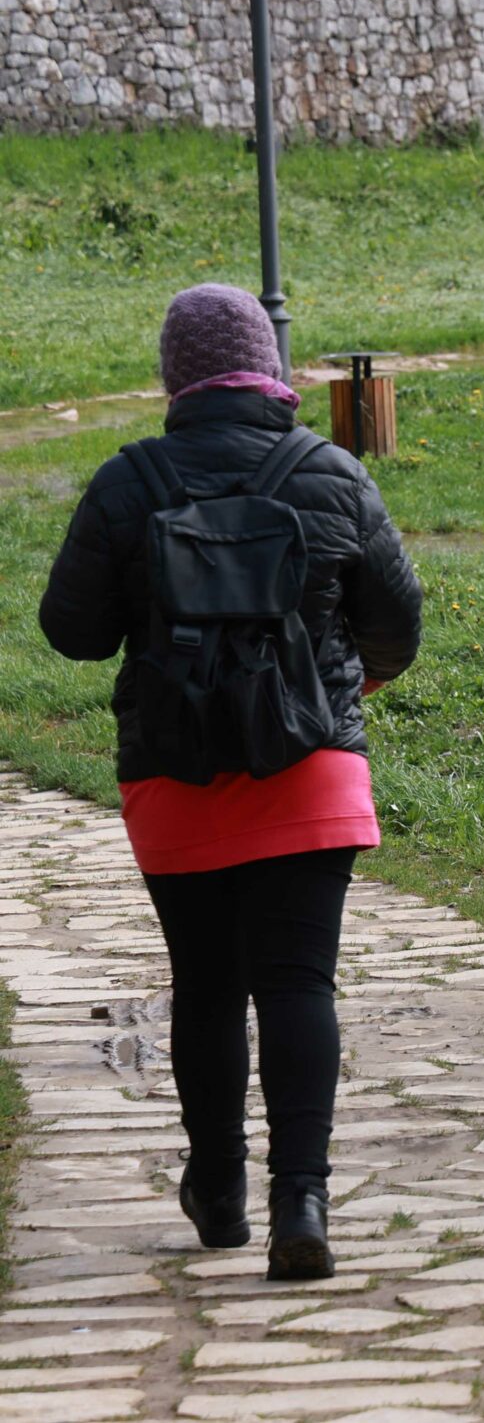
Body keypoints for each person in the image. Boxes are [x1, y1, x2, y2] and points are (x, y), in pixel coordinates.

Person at [38, 284, 422, 1281]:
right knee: (298, 983)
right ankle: (304, 1200)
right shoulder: (331, 472)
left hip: (175, 775)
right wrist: (338, 687)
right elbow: (397, 626)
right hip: (312, 771)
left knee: (206, 986)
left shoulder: (129, 481)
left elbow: (71, 631)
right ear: (270, 369)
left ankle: (218, 1192)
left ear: (176, 377)